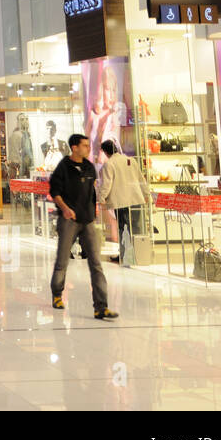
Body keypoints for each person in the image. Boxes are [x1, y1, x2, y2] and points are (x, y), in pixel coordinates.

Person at [49, 134, 118, 319]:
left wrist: (94, 214)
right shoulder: (63, 168)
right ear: (74, 147)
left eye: (88, 145)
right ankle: (57, 294)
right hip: (69, 220)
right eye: (85, 146)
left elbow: (92, 191)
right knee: (62, 260)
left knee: (96, 264)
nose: (88, 148)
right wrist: (64, 209)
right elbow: (54, 191)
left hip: (88, 221)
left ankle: (101, 306)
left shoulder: (89, 167)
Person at [98, 139, 148, 265]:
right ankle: (137, 255)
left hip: (121, 202)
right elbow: (141, 179)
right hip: (136, 199)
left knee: (124, 229)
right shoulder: (131, 160)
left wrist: (101, 198)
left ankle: (125, 256)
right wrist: (147, 195)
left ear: (105, 151)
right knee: (135, 228)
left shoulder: (109, 164)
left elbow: (106, 184)